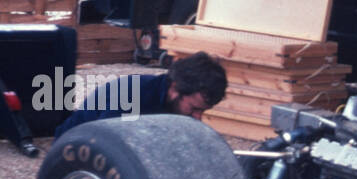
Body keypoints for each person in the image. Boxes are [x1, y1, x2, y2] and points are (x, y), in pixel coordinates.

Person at [53, 51, 227, 138]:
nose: (197, 118)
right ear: (175, 89)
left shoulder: (173, 104)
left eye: (202, 112)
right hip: (74, 145)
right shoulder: (130, 95)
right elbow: (108, 144)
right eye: (194, 109)